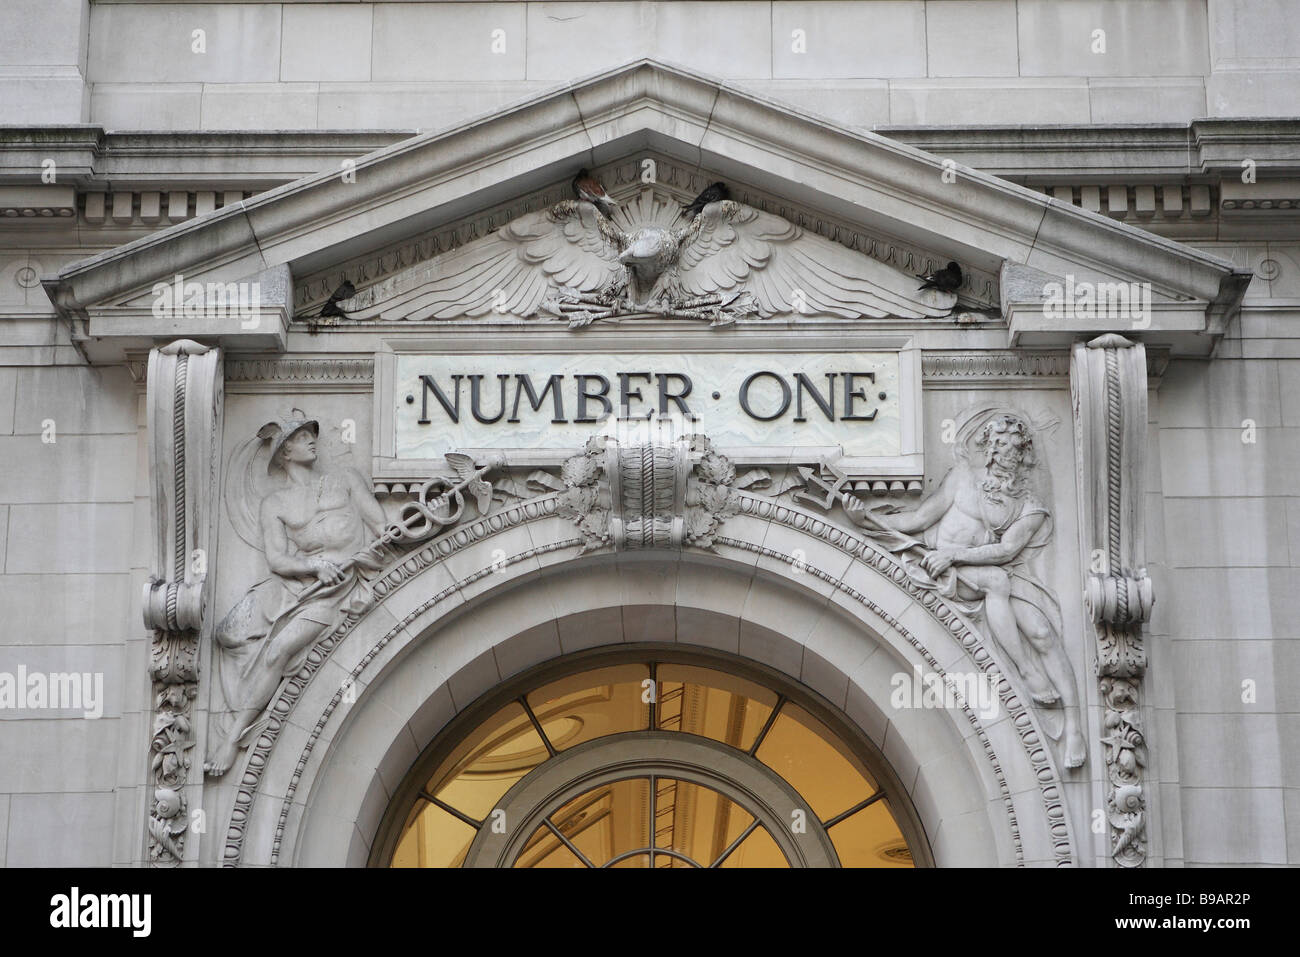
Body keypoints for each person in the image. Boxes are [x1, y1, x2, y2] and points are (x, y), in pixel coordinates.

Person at [844, 413, 1086, 768]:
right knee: (997, 582)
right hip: (939, 570)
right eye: (999, 445)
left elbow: (1006, 552)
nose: (1005, 453)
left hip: (975, 567)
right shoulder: (962, 479)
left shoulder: (1030, 507)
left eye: (1014, 447)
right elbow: (917, 520)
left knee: (1042, 632)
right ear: (988, 447)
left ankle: (1076, 726)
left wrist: (952, 556)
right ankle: (1027, 672)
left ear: (1024, 454)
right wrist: (864, 521)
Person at [204, 413, 386, 776]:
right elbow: (277, 559)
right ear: (285, 450)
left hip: (336, 589)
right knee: (229, 632)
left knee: (280, 647)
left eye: (311, 436)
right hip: (301, 582)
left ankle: (233, 737)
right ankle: (237, 727)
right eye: (302, 437)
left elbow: (382, 528)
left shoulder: (346, 480)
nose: (311, 441)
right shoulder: (275, 503)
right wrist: (315, 566)